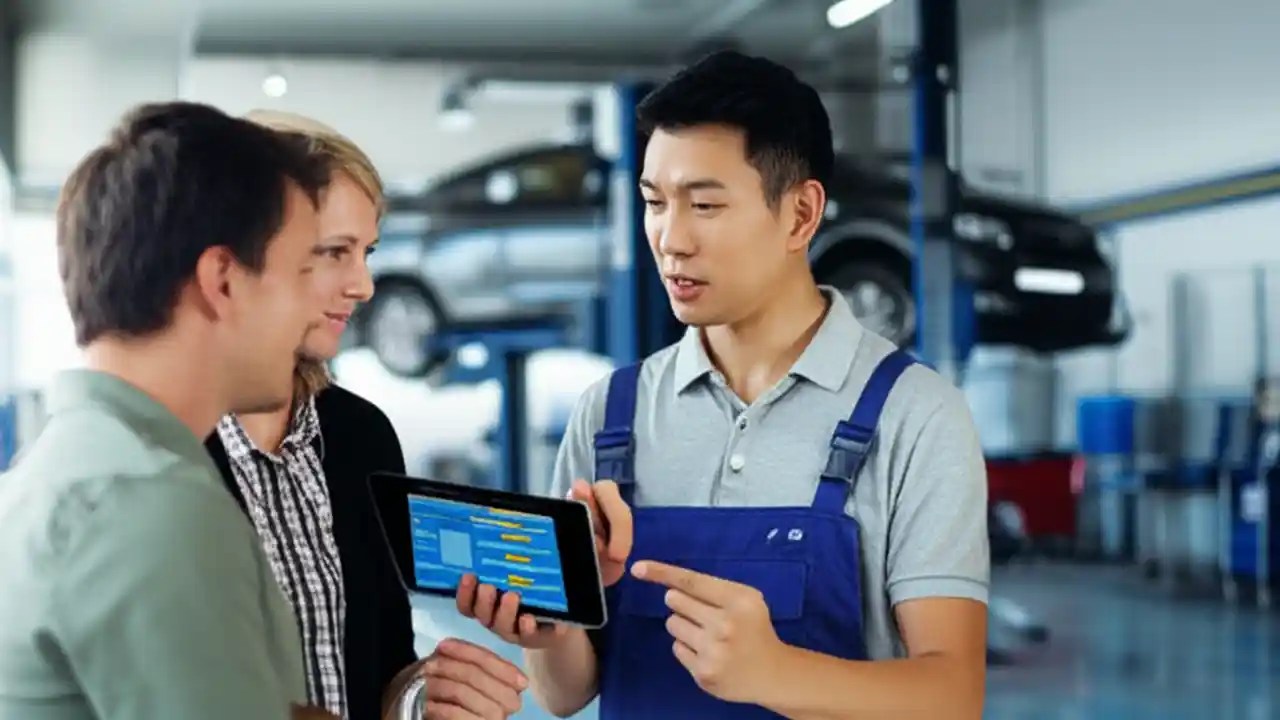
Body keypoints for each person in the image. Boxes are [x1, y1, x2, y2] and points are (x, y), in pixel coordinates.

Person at [458, 50, 990, 719]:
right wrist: (549, 629)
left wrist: (775, 672)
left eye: (704, 204)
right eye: (655, 203)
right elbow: (564, 694)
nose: (671, 239)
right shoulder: (608, 415)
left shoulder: (915, 415)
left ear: (800, 215)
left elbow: (952, 697)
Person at [0, 101, 336, 718]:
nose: (311, 310)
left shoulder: (57, 474)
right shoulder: (154, 505)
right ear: (223, 280)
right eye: (301, 271)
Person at [204, 110, 528, 720]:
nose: (365, 286)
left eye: (368, 253)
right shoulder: (160, 450)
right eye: (335, 252)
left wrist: (426, 695)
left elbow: (384, 668)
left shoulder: (361, 435)